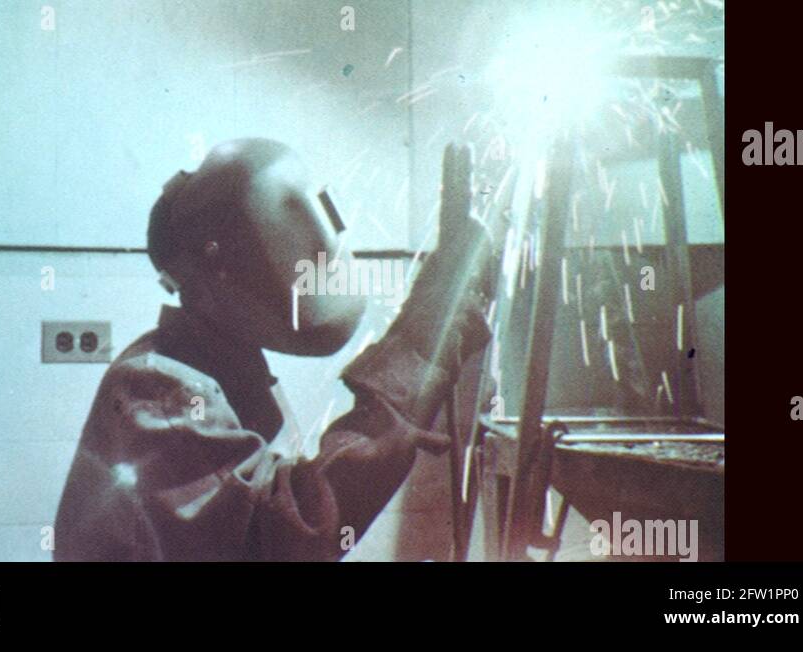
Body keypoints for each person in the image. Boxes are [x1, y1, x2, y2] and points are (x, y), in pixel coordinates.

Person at [54, 138, 494, 561]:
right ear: (218, 266)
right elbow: (288, 534)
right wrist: (420, 344)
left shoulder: (221, 373)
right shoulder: (160, 388)